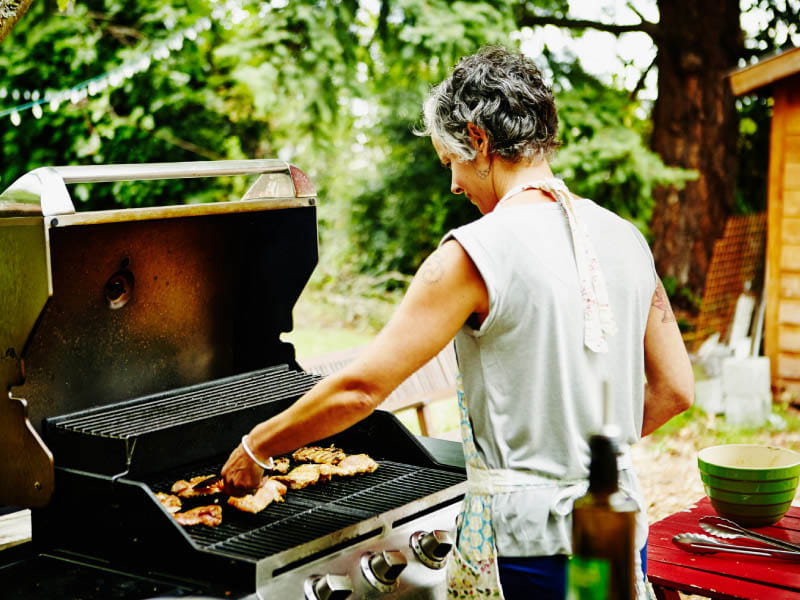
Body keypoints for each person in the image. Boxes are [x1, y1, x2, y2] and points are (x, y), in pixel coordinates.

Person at [222, 45, 694, 599]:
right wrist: (582, 458)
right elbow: (676, 388)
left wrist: (257, 446)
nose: (454, 186)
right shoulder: (624, 237)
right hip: (613, 525)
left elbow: (360, 388)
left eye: (451, 162)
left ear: (479, 139)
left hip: (530, 545)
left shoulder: (474, 253)